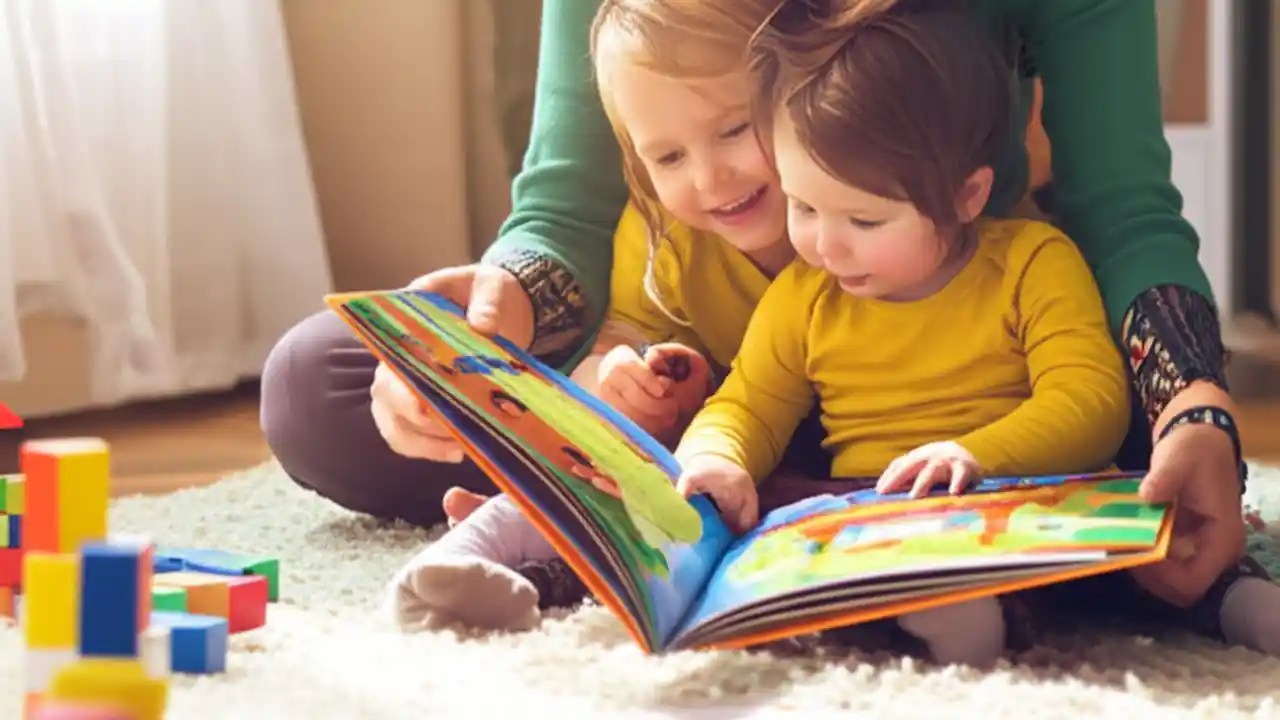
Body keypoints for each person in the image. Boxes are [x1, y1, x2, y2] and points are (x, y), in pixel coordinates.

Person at [259, 0, 1253, 622]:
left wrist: (1191, 409)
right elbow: (561, 207)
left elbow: (1120, 211)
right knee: (319, 382)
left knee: (1117, 422)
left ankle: (646, 513)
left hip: (952, 380)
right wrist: (487, 335)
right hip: (728, 385)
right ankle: (732, 501)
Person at [382, 0, 835, 634]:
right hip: (709, 454)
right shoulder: (665, 238)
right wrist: (621, 384)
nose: (710, 178)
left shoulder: (858, 224)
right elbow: (614, 349)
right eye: (668, 158)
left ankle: (560, 553)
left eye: (734, 130)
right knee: (607, 465)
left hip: (851, 440)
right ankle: (477, 554)